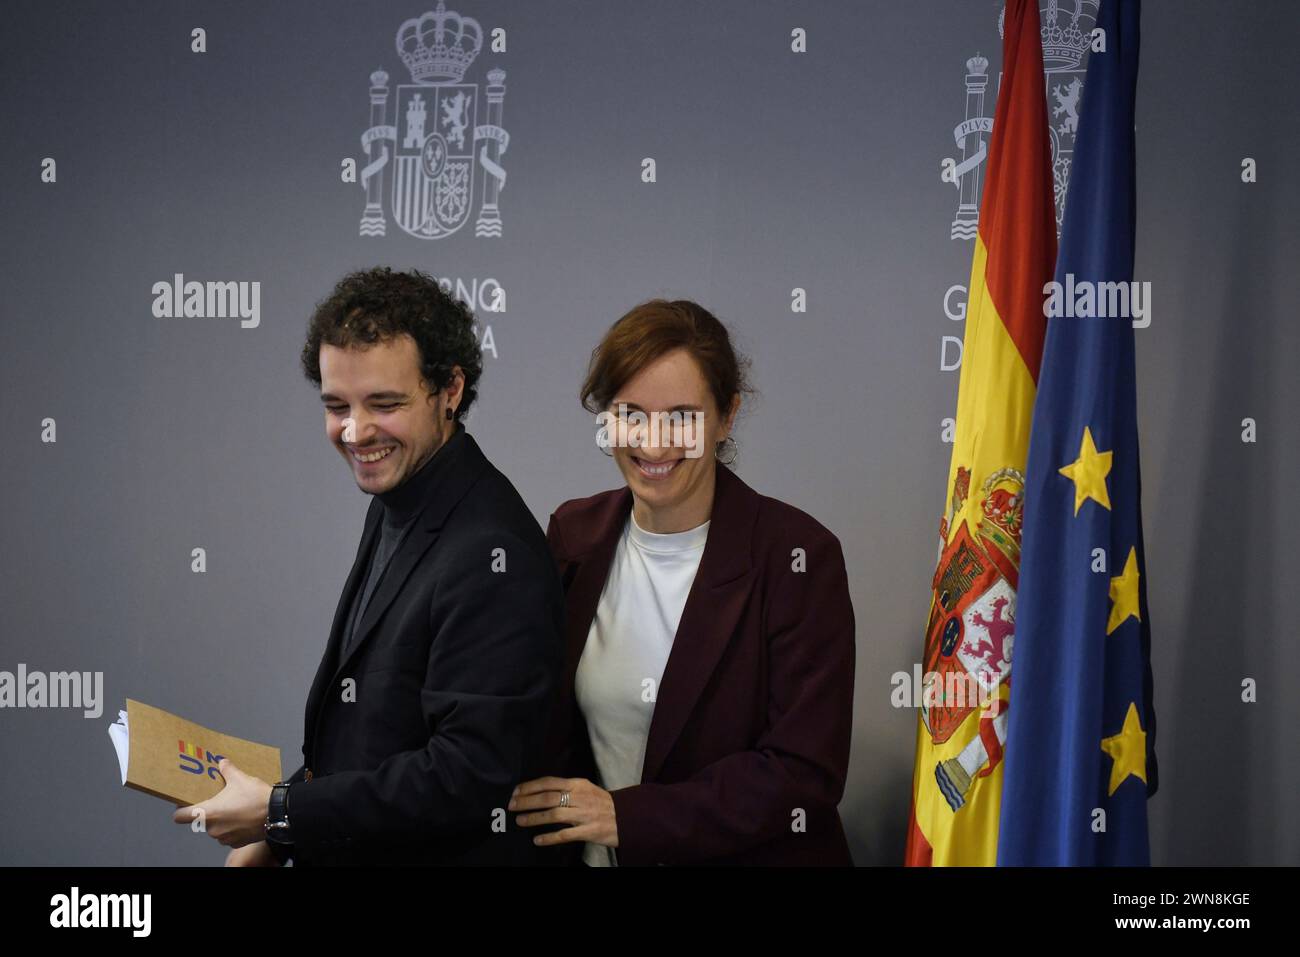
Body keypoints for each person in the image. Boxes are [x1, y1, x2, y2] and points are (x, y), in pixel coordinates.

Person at [172, 266, 564, 865]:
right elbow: (375, 736)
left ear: (450, 389)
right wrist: (282, 830)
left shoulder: (492, 550)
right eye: (336, 405)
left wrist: (282, 815)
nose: (356, 432)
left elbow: (466, 776)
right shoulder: (400, 495)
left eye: (384, 403)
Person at [512, 299, 856, 865]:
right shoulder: (573, 535)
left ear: (727, 416)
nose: (654, 442)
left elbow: (803, 773)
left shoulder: (798, 557)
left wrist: (628, 817)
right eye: (631, 412)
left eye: (681, 416)